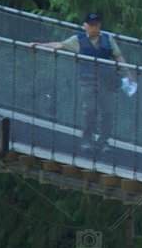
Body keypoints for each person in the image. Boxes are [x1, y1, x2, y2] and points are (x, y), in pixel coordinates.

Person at [32, 11, 132, 161]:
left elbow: (118, 56)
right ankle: (87, 140)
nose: (94, 27)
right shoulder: (77, 40)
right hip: (88, 80)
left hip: (107, 81)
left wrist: (127, 73)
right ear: (85, 26)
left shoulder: (108, 39)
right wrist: (39, 45)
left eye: (97, 24)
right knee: (90, 110)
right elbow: (59, 45)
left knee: (107, 112)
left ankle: (103, 142)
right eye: (91, 25)